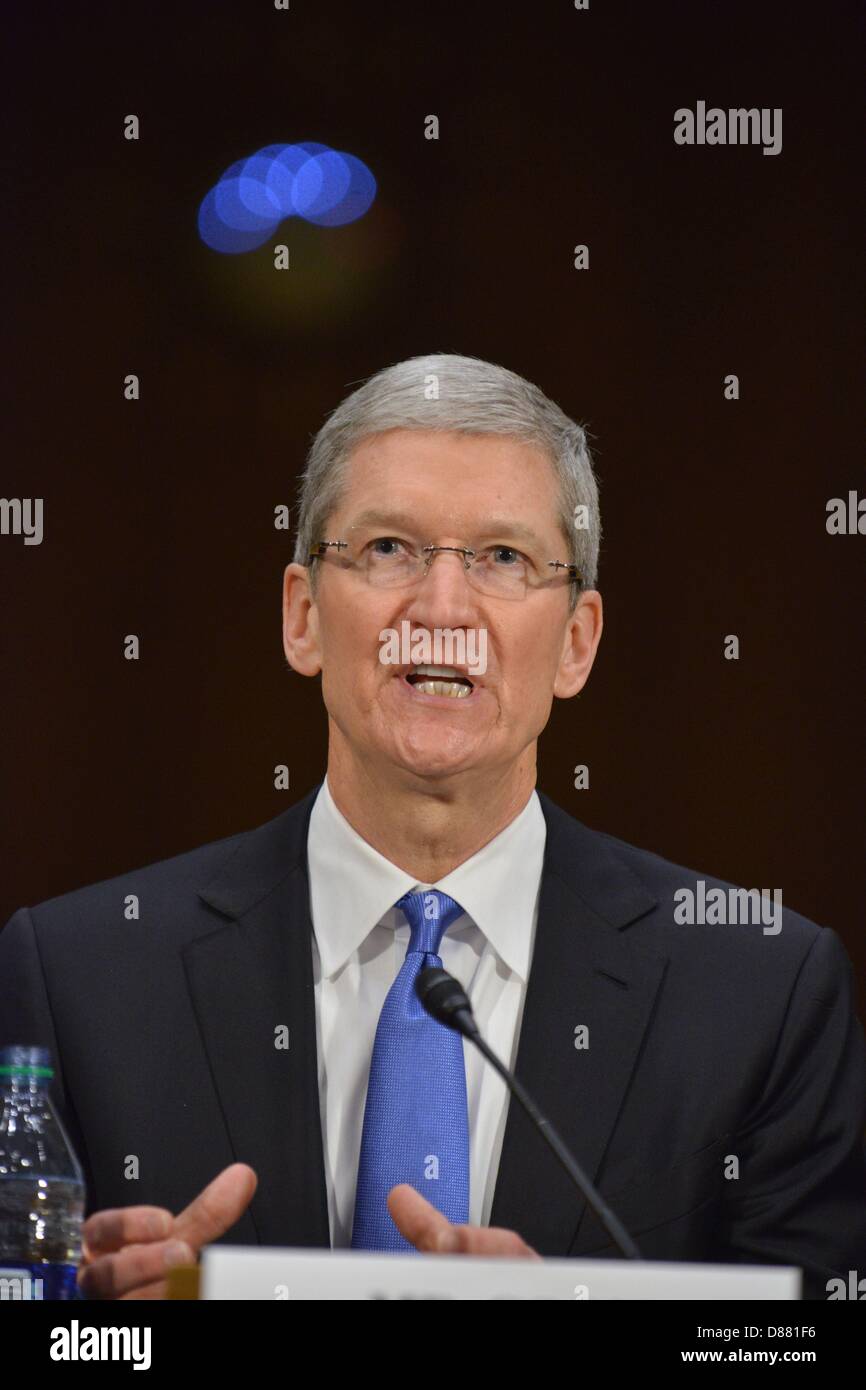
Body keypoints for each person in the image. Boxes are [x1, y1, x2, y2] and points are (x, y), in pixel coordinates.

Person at [2, 354, 864, 1300]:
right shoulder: (79, 975)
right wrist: (84, 1333)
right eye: (387, 549)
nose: (442, 611)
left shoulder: (762, 993)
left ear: (577, 642)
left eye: (502, 557)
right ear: (302, 618)